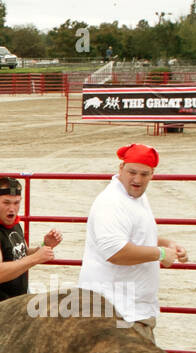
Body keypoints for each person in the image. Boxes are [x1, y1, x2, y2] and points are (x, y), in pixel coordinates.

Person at [77, 143, 188, 342]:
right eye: (132, 172)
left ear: (153, 174)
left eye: (144, 174)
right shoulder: (112, 203)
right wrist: (160, 254)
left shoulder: (134, 197)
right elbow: (116, 252)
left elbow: (136, 237)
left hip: (128, 312)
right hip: (116, 315)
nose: (137, 179)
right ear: (121, 168)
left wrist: (167, 244)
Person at [0, 177, 62, 309]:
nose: (12, 209)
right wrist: (35, 258)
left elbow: (19, 254)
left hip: (18, 306)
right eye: (6, 203)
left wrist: (45, 246)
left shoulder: (14, 224)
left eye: (16, 203)